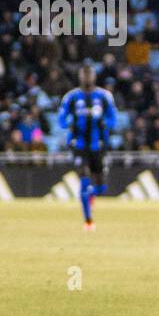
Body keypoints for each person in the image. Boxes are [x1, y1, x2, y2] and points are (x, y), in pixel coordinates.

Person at [58, 64, 117, 231]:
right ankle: (88, 220)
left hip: (98, 146)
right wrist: (69, 123)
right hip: (79, 145)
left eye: (89, 74)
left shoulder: (104, 96)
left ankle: (91, 194)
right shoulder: (71, 97)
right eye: (84, 75)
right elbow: (61, 119)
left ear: (94, 77)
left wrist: (106, 123)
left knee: (100, 187)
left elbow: (113, 118)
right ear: (80, 77)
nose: (87, 78)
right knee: (84, 179)